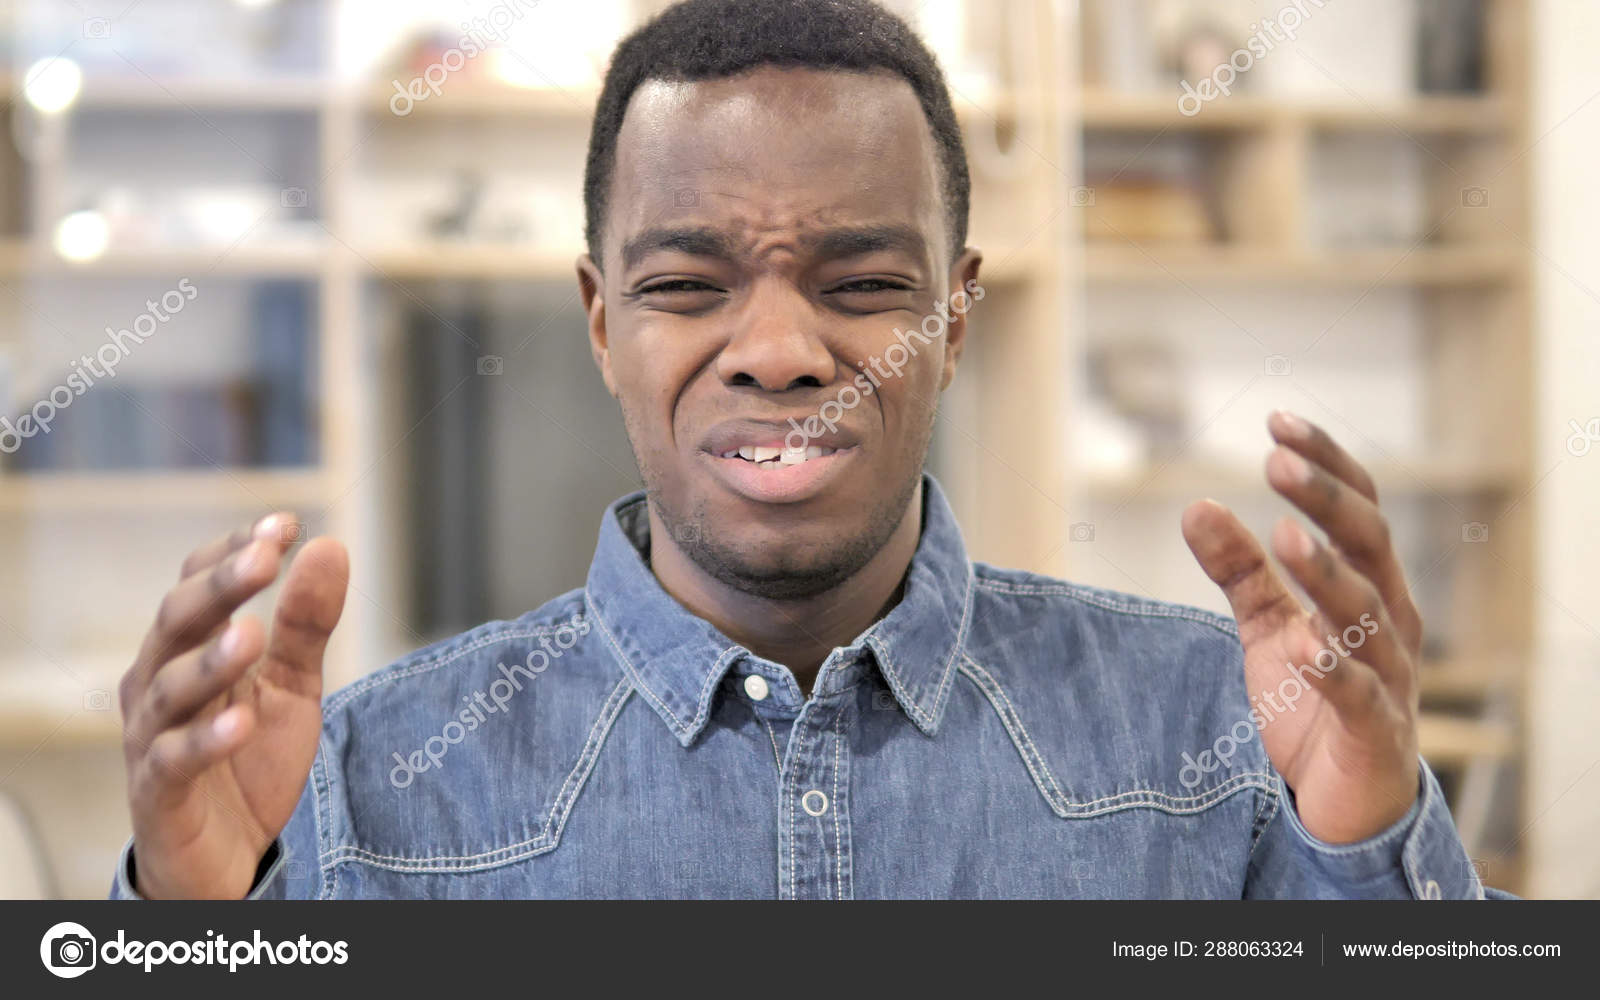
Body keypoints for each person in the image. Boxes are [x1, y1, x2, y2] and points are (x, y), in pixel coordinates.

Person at [110, 0, 1501, 899]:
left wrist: (1373, 846)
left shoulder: (1218, 728)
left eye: (859, 283)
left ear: (955, 316)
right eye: (687, 284)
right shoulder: (366, 776)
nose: (777, 350)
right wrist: (187, 932)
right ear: (601, 323)